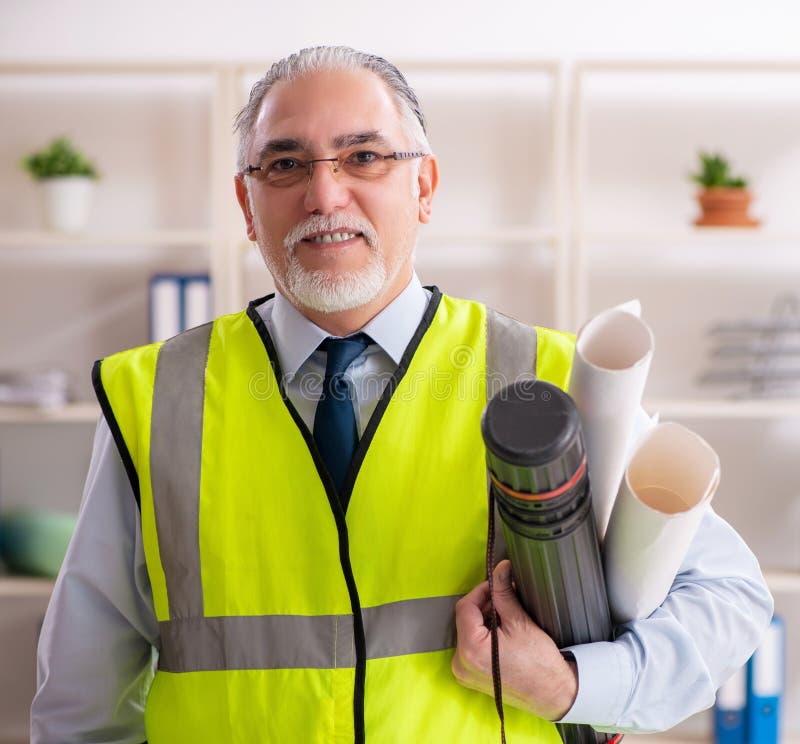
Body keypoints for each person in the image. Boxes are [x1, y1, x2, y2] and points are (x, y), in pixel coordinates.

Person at [31, 46, 773, 744]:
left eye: (364, 156)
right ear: (247, 203)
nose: (325, 193)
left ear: (423, 186)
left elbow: (730, 597)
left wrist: (574, 686)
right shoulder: (153, 398)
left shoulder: (553, 380)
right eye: (285, 163)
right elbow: (80, 703)